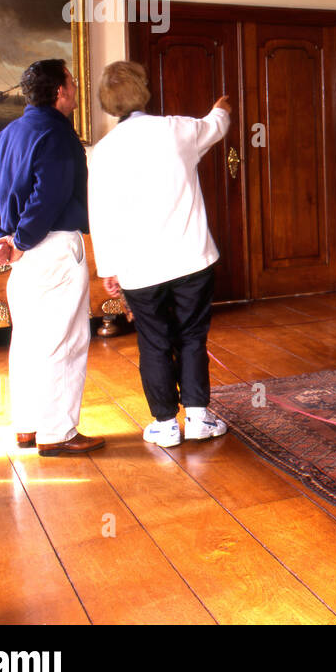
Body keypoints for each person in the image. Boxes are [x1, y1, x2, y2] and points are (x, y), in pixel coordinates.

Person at [88, 61, 231, 448]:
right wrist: (221, 107)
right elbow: (216, 125)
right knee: (192, 337)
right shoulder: (176, 130)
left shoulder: (101, 153)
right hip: (191, 259)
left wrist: (108, 269)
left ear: (107, 101)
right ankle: (198, 419)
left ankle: (165, 425)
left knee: (153, 342)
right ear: (144, 90)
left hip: (138, 269)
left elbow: (99, 215)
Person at [0, 59, 104, 457]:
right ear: (60, 91)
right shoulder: (58, 134)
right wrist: (21, 238)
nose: (76, 86)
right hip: (53, 248)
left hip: (22, 254)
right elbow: (48, 196)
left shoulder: (6, 135)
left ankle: (27, 426)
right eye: (72, 80)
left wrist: (1, 236)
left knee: (27, 339)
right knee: (65, 341)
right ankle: (58, 432)